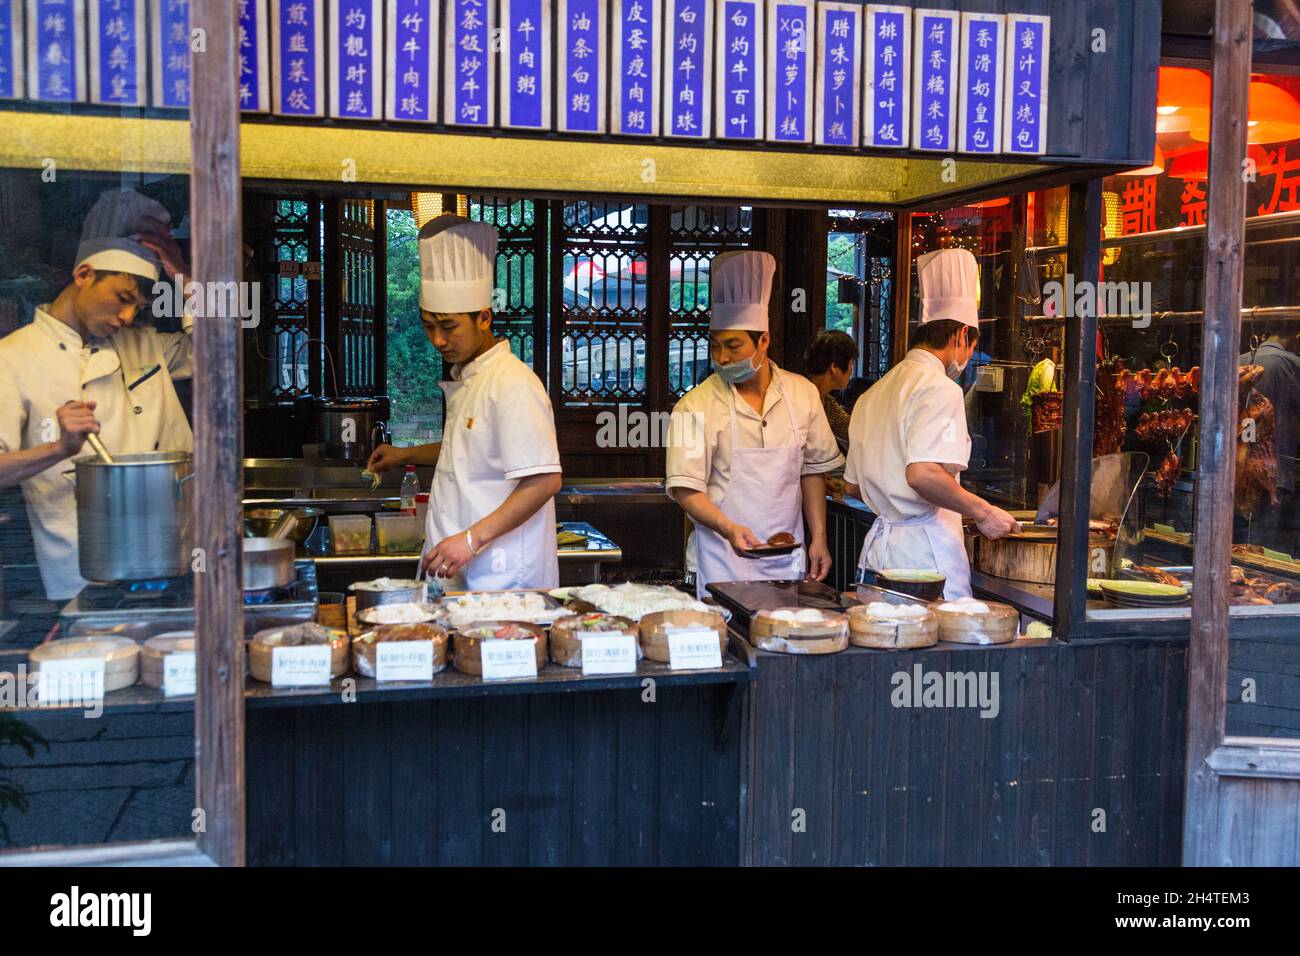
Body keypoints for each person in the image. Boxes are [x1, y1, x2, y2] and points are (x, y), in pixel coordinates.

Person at [0, 189, 192, 600]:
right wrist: (59, 447)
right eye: (122, 299)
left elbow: (227, 357)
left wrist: (189, 283)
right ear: (84, 274)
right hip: (82, 579)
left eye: (137, 309)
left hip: (173, 559)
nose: (126, 318)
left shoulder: (146, 344)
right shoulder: (13, 357)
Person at [366, 214, 562, 589]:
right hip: (457, 569)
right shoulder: (470, 379)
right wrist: (402, 454)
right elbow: (468, 451)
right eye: (428, 326)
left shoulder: (513, 383)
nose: (438, 340)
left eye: (448, 326)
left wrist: (472, 540)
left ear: (483, 318)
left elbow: (545, 480)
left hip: (502, 578)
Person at [665, 250, 844, 599]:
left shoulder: (803, 393)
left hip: (786, 562)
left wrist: (819, 537)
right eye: (715, 346)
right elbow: (686, 488)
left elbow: (811, 471)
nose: (722, 357)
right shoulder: (692, 406)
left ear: (764, 340)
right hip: (722, 561)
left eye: (733, 345)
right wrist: (729, 528)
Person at [843, 248, 1019, 600]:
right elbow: (922, 474)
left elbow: (853, 487)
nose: (968, 359)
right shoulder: (940, 388)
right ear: (961, 336)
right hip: (925, 561)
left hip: (879, 555)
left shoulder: (874, 393)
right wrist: (983, 512)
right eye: (971, 346)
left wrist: (890, 497)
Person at [1239, 327, 1300, 555]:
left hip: (1238, 463)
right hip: (1274, 468)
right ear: (1295, 336)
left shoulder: (1239, 360)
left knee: (1234, 539)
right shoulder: (1292, 364)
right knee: (1262, 547)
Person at [805, 329, 857, 456]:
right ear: (834, 367)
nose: (851, 370)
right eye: (851, 364)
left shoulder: (828, 403)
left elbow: (851, 430)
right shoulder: (800, 397)